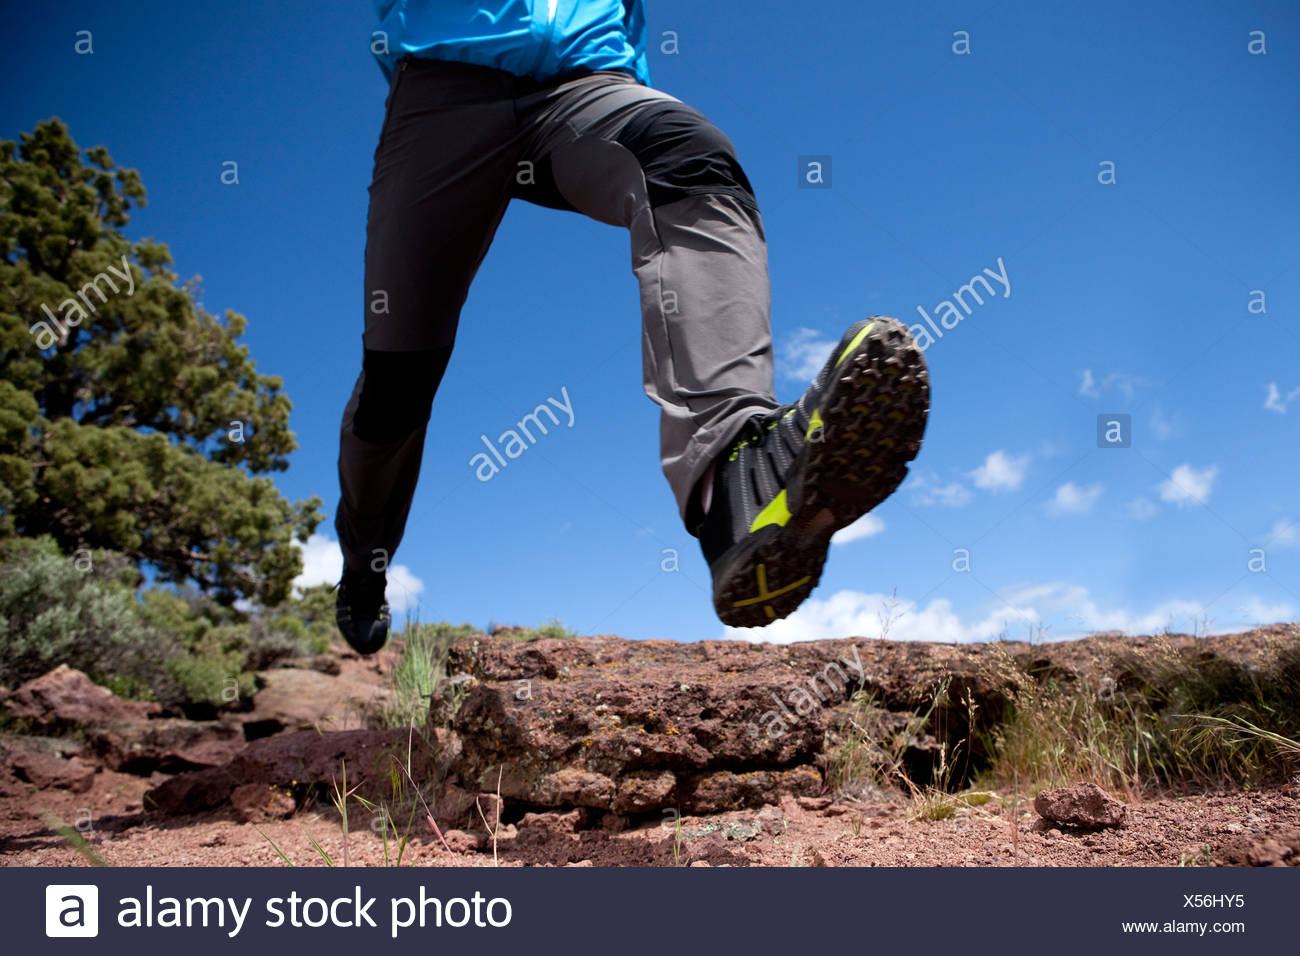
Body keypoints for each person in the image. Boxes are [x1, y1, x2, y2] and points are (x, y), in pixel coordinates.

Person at [334, 0, 929, 653]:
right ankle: (366, 563)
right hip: (443, 88)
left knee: (687, 154)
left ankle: (731, 478)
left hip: (588, 85)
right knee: (398, 379)